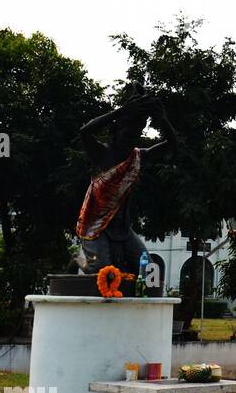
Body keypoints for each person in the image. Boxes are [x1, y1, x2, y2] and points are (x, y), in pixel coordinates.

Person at [75, 92, 177, 275]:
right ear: (116, 131)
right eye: (126, 133)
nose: (129, 139)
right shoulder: (101, 153)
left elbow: (172, 145)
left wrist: (163, 120)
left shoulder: (137, 157)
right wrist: (121, 111)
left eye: (135, 135)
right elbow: (85, 131)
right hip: (95, 226)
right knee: (102, 270)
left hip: (123, 229)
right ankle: (79, 260)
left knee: (149, 272)